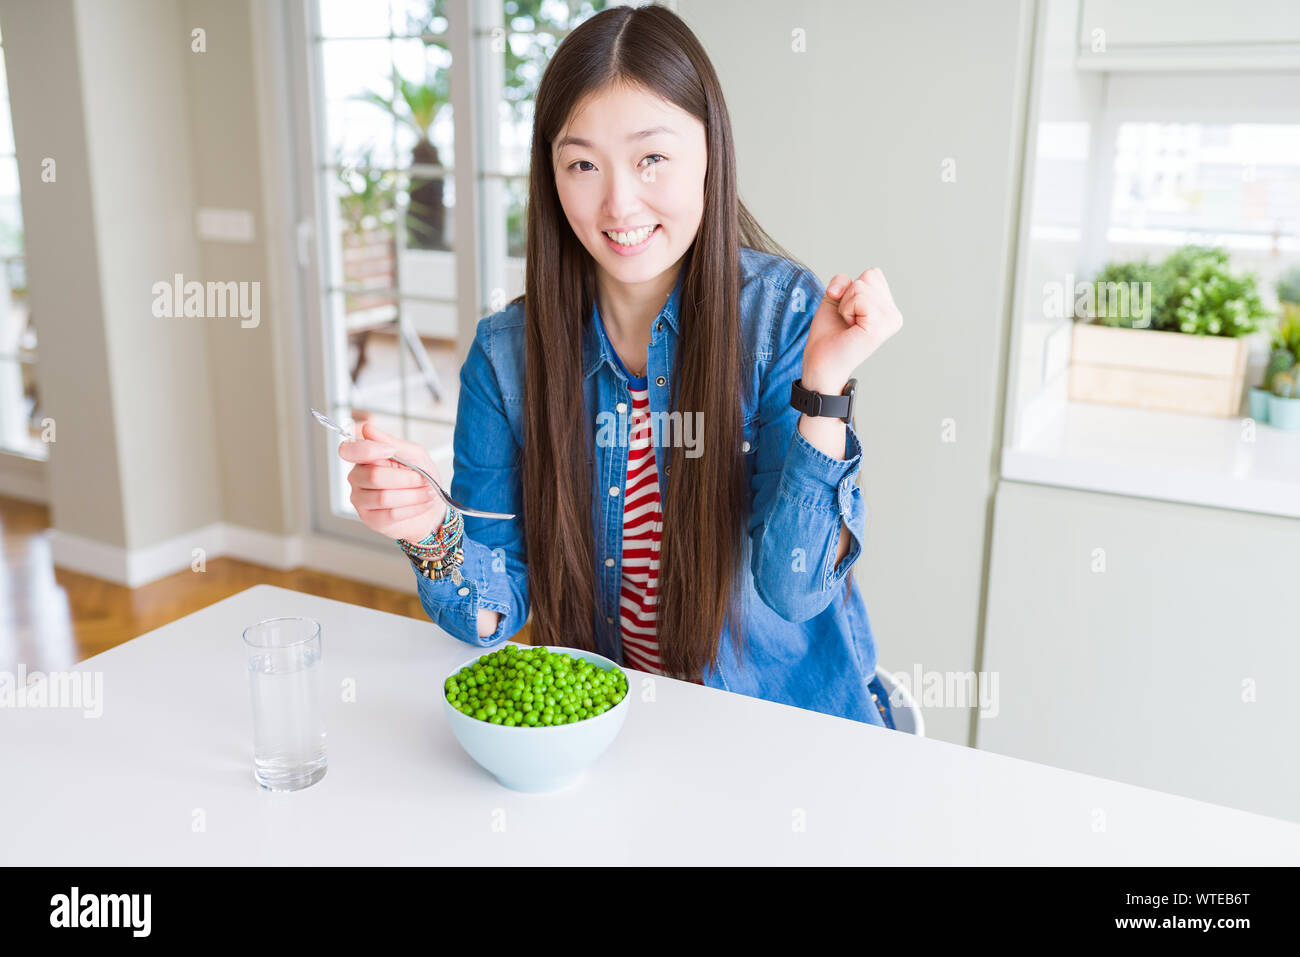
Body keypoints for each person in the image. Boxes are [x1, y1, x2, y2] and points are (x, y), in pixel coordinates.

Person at [339, 4, 903, 728]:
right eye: (582, 164)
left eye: (651, 159)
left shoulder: (781, 316)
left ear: (711, 150)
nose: (618, 202)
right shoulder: (506, 356)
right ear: (551, 174)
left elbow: (794, 590)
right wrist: (429, 526)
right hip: (611, 742)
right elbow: (491, 616)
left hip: (782, 737)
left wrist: (824, 388)